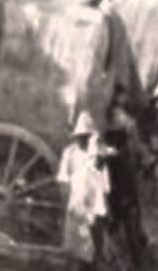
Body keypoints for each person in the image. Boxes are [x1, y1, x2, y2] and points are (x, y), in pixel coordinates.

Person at [57, 112, 112, 270]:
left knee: (95, 250)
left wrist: (105, 210)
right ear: (76, 137)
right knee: (77, 252)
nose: (84, 140)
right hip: (77, 208)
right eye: (81, 136)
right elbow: (63, 180)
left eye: (87, 136)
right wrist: (70, 205)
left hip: (95, 209)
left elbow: (104, 185)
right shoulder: (70, 154)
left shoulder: (97, 156)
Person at [104, 85, 147, 268]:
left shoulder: (114, 119)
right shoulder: (121, 120)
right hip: (122, 182)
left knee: (125, 215)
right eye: (122, 95)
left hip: (120, 180)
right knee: (128, 216)